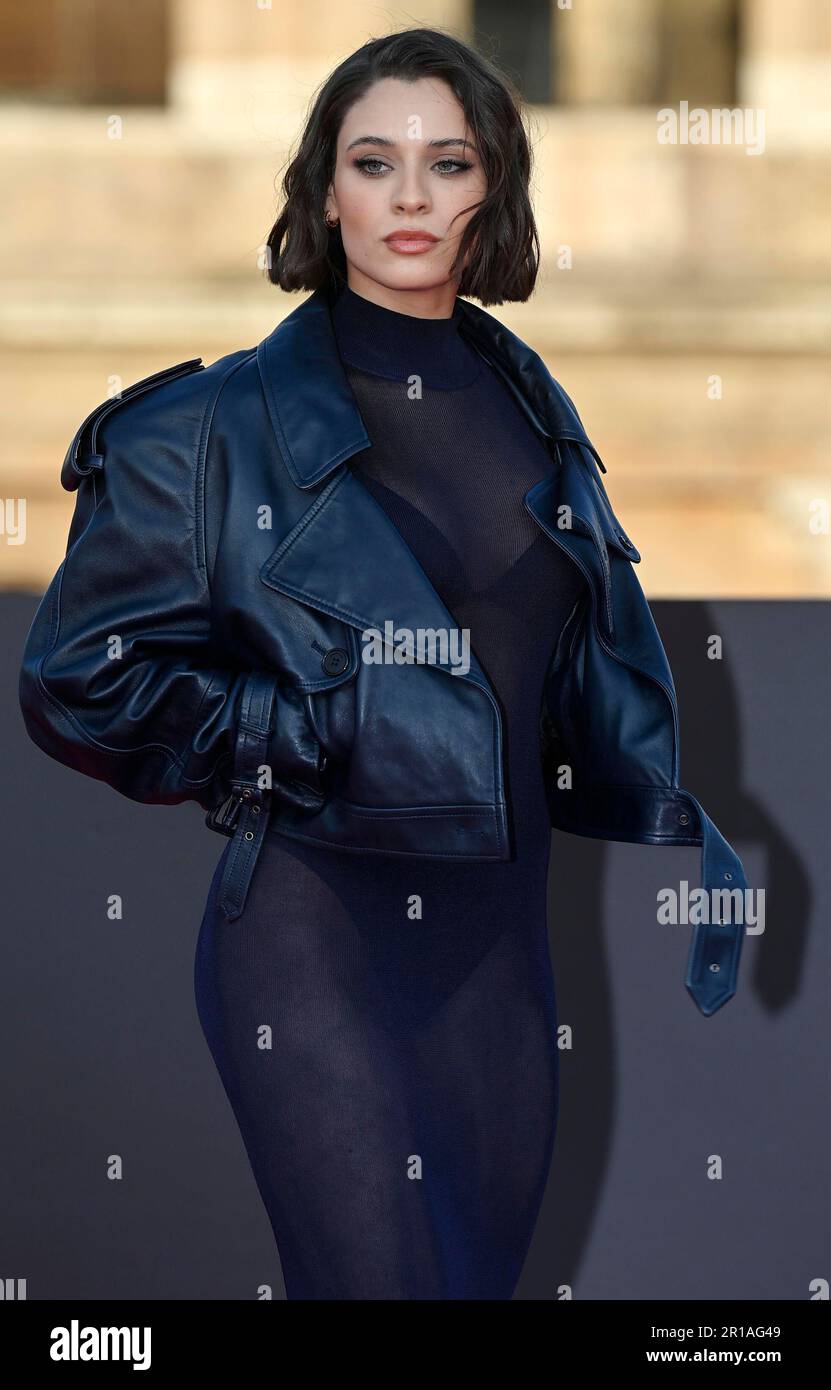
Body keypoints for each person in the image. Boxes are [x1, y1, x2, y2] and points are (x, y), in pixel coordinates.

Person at [19, 26, 747, 1300]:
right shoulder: (207, 424)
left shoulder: (533, 408)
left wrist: (660, 797)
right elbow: (75, 674)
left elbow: (552, 672)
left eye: (447, 162)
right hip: (311, 942)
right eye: (374, 161)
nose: (411, 197)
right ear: (324, 189)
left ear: (493, 190)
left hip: (504, 952)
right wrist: (283, 732)